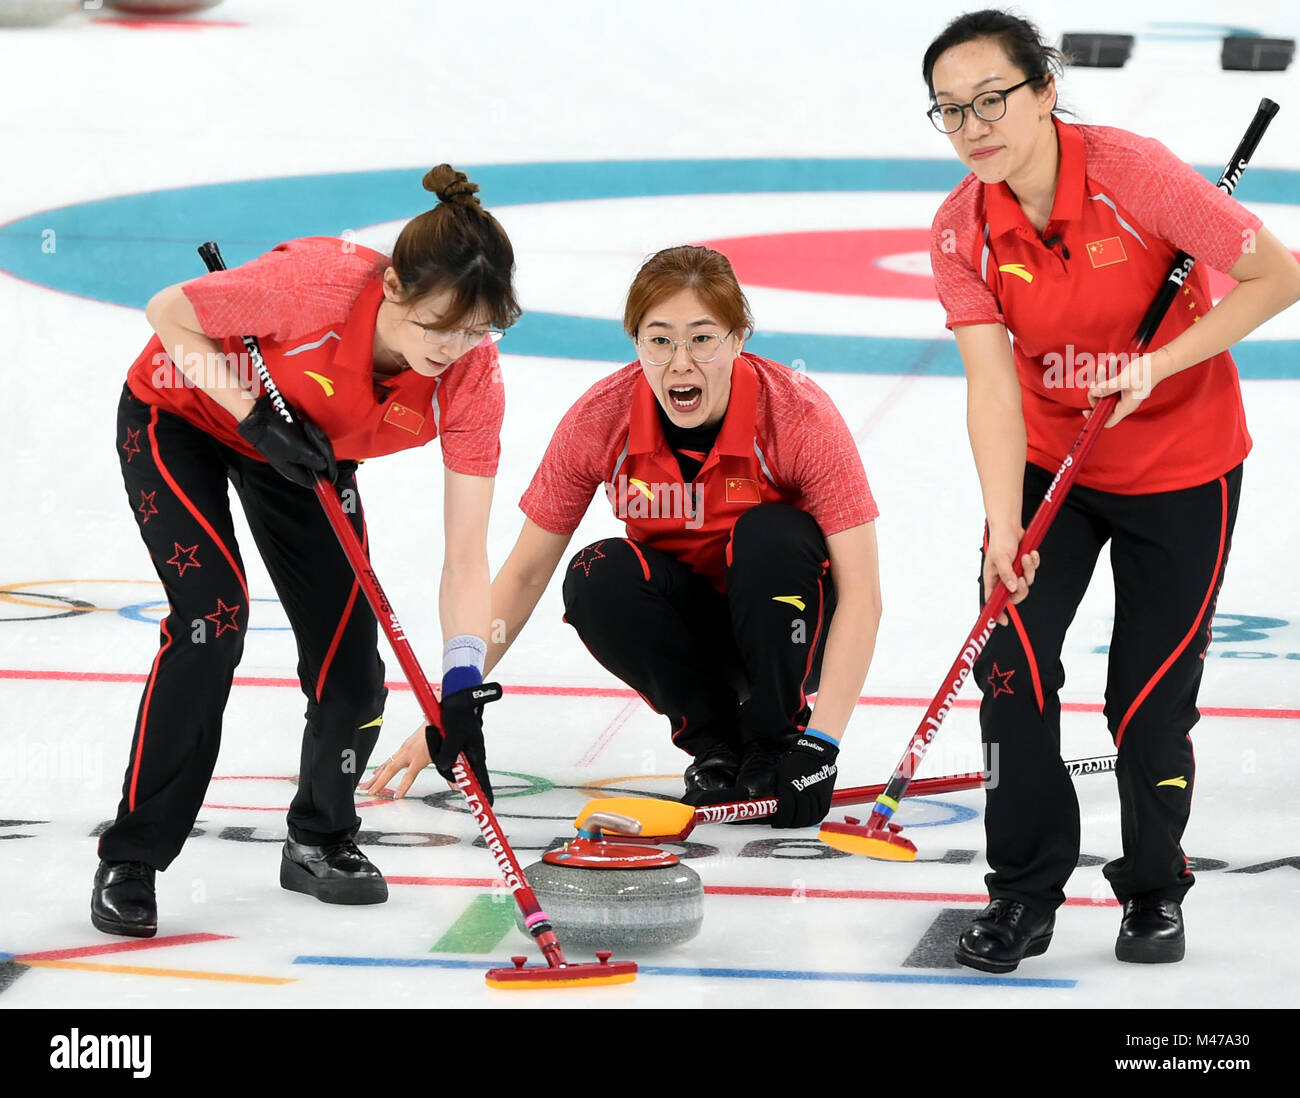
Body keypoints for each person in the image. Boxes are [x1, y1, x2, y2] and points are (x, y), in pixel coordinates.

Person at [923, 10, 1300, 971]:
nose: (975, 126)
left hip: (1183, 469)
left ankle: (1152, 886)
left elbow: (1275, 275)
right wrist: (1004, 525)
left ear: (1046, 90)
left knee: (1147, 701)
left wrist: (1160, 363)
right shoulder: (961, 228)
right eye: (950, 111)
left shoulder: (1132, 175)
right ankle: (1022, 895)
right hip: (1056, 466)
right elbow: (993, 388)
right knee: (1010, 674)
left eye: (993, 99)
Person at [93, 165, 519, 937]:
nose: (453, 350)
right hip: (184, 412)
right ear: (393, 288)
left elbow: (466, 555)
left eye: (474, 331)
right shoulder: (313, 287)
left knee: (353, 670)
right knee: (211, 621)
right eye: (436, 327)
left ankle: (319, 838)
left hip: (305, 455)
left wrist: (460, 679)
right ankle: (133, 857)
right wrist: (253, 416)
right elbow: (167, 312)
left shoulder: (471, 379)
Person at [367, 245, 882, 827]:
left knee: (771, 533)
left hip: (791, 629)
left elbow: (862, 595)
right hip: (697, 640)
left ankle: (774, 738)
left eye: (702, 339)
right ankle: (717, 747)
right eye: (659, 340)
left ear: (739, 338)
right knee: (595, 572)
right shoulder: (601, 420)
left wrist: (821, 746)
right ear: (636, 342)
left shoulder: (798, 418)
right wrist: (448, 705)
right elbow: (526, 572)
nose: (680, 362)